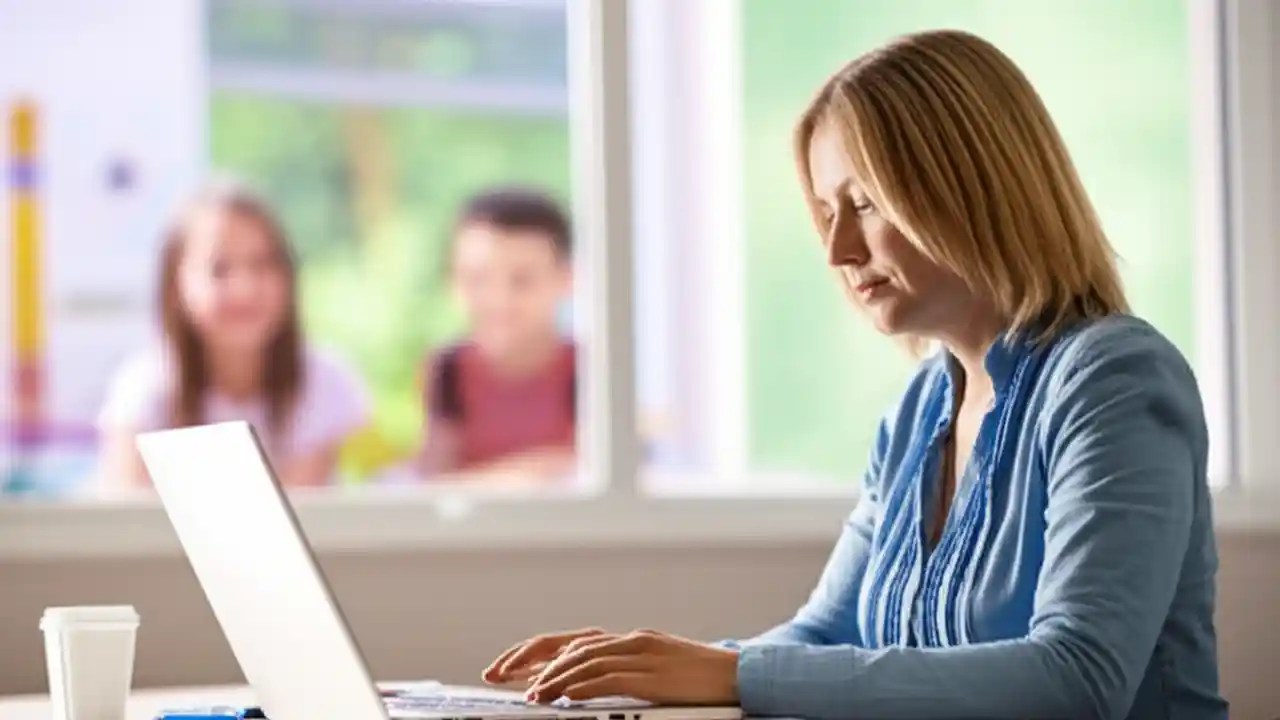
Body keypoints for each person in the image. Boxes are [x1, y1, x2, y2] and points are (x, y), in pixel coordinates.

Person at [479, 30, 1226, 719]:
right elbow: (827, 631)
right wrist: (643, 668)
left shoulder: (1115, 381)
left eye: (863, 204)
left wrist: (730, 676)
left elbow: (1077, 679)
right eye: (825, 212)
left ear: (975, 186)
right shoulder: (921, 408)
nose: (837, 249)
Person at [97, 181, 370, 490]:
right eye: (219, 269)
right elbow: (123, 514)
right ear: (175, 284)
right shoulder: (144, 389)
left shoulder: (325, 382)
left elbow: (301, 512)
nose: (245, 289)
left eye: (262, 264)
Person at [417, 187, 576, 481]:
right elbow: (434, 481)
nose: (499, 299)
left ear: (566, 280)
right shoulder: (449, 369)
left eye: (522, 280)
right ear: (453, 281)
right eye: (477, 279)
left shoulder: (585, 371)